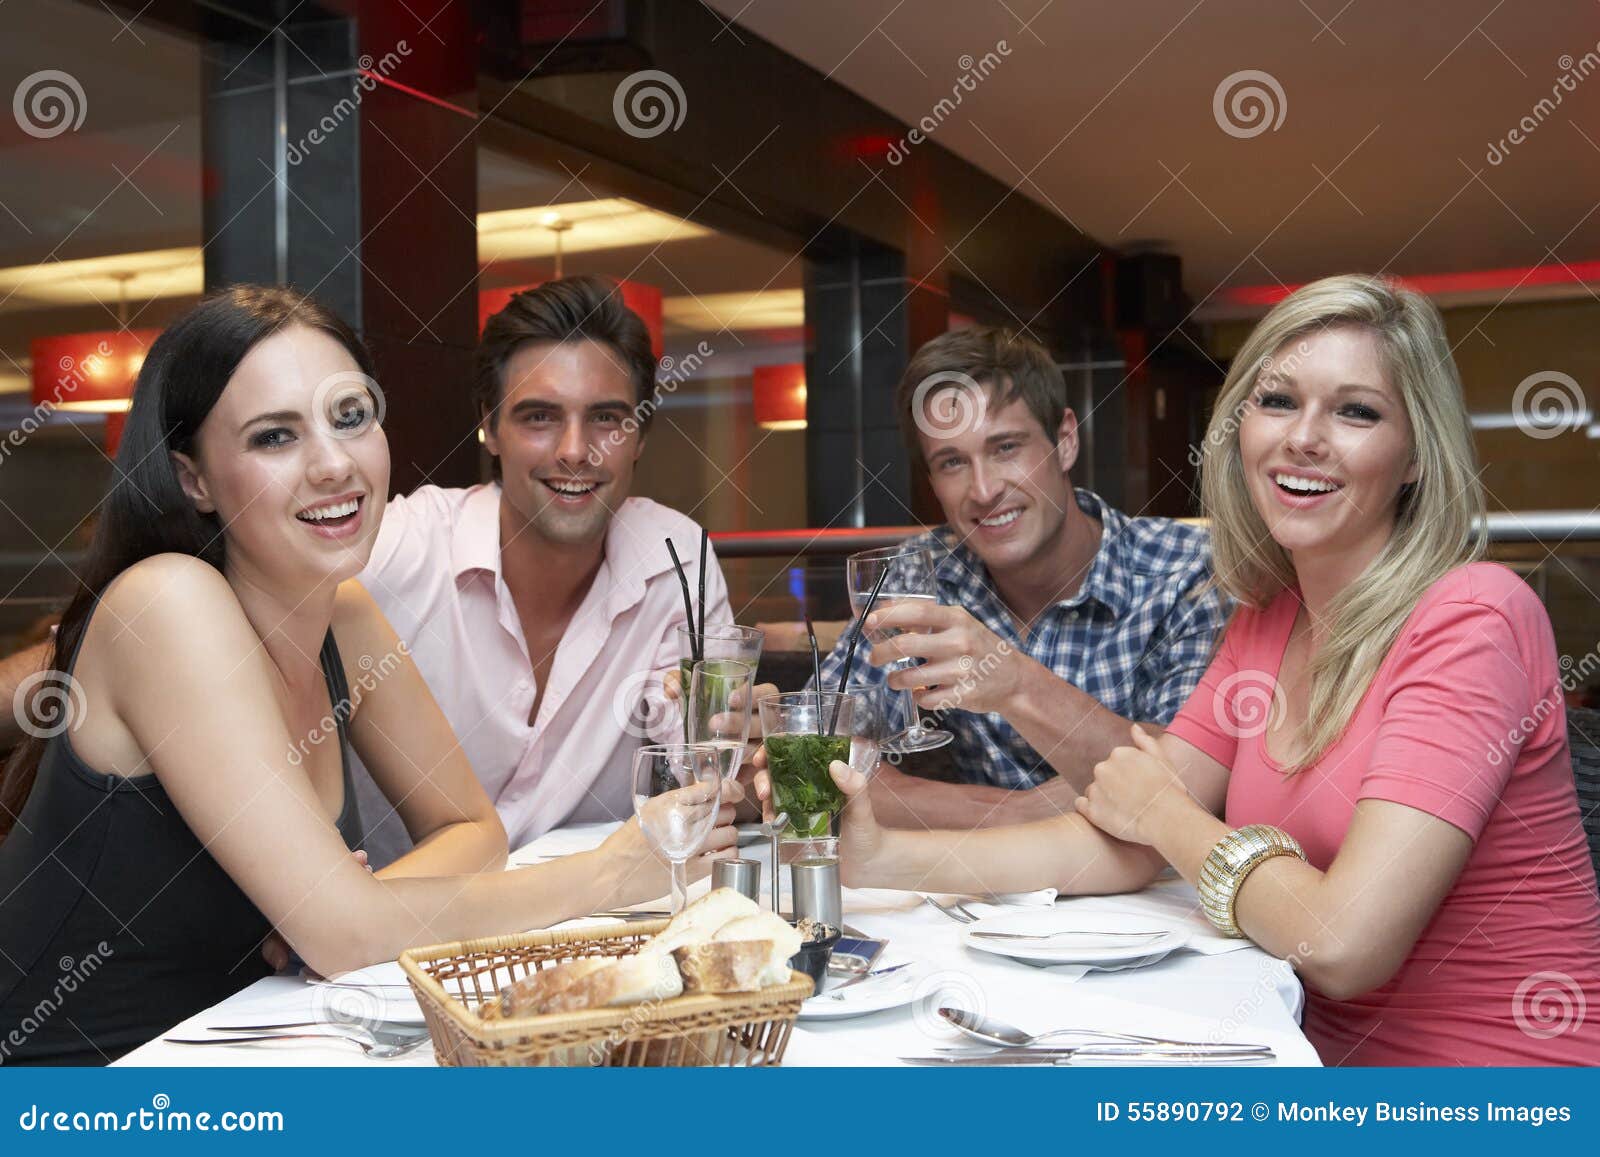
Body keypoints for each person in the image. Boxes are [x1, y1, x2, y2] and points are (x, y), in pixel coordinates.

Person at [765, 274, 1600, 1065]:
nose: (1303, 436)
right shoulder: (1269, 614)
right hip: (1297, 1056)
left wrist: (1171, 818)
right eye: (1278, 401)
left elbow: (1343, 944)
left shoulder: (1473, 618)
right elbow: (1116, 842)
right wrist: (879, 858)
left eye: (1355, 411)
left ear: (1416, 454)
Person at [0, 287, 736, 1065]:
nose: (333, 464)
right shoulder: (170, 603)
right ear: (194, 479)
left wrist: (355, 907)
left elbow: (472, 830)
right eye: (275, 436)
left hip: (258, 1062)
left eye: (350, 417)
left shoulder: (341, 614)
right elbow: (342, 932)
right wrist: (607, 875)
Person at [350, 276, 738, 862]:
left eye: (607, 418)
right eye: (539, 417)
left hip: (589, 933)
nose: (576, 450)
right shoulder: (400, 547)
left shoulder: (676, 558)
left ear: (639, 436)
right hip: (395, 936)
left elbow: (702, 774)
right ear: (490, 428)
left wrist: (738, 747)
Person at [809, 325, 1227, 830]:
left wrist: (1015, 682)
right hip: (980, 894)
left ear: (1066, 440)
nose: (983, 490)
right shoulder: (920, 575)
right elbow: (808, 758)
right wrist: (1013, 812)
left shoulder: (1188, 571)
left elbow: (1185, 794)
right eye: (953, 462)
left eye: (1006, 448)